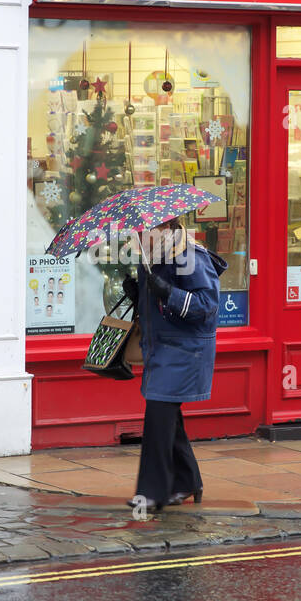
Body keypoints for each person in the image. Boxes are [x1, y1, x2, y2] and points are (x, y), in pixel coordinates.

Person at [122, 218, 227, 514]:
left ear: (166, 229)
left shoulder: (191, 256)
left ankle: (152, 492)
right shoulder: (150, 259)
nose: (140, 236)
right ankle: (187, 480)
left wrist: (168, 292)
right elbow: (154, 309)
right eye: (138, 232)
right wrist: (137, 293)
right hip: (160, 351)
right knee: (169, 418)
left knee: (158, 415)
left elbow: (207, 305)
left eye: (146, 231)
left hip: (185, 352)